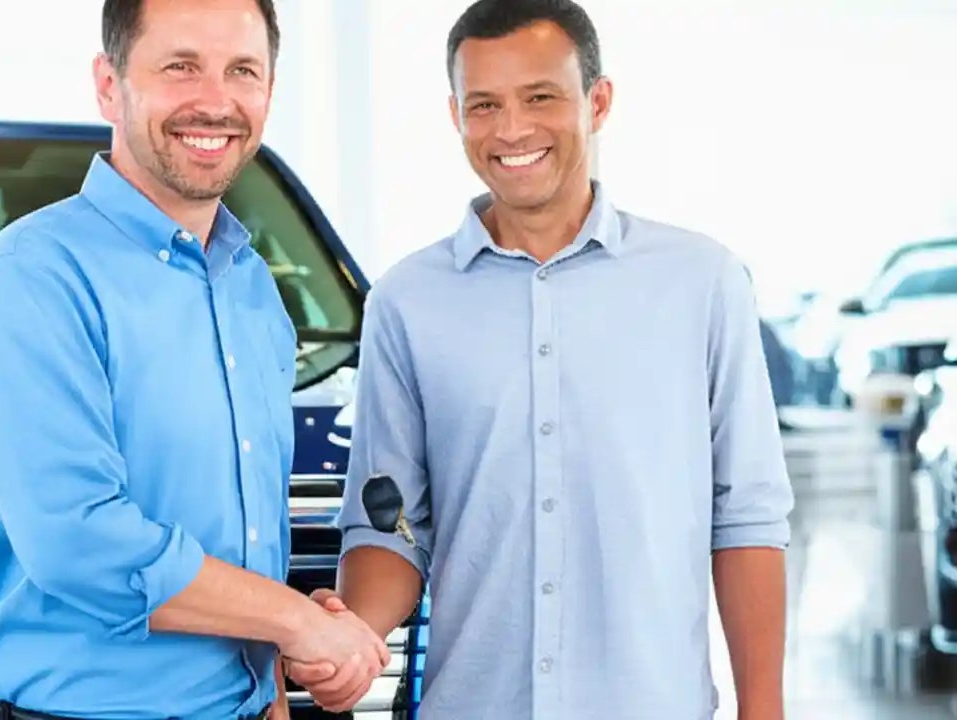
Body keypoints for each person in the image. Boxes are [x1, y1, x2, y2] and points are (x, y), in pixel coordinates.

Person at [288, 0, 795, 718]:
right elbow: (389, 525)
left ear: (599, 100)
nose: (512, 129)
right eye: (484, 105)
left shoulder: (703, 283)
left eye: (540, 98)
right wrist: (350, 635)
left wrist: (763, 709)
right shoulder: (406, 302)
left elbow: (745, 519)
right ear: (455, 114)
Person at [0, 0, 388, 718]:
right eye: (180, 66)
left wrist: (273, 680)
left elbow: (249, 533)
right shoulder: (33, 278)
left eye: (242, 70)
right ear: (108, 83)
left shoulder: (252, 290)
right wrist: (298, 620)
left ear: (269, 91)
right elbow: (75, 538)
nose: (215, 101)